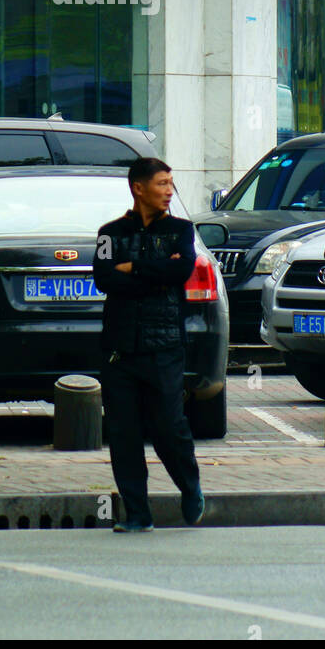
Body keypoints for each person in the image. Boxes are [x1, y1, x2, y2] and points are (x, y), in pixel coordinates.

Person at [94, 156, 204, 533]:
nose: (169, 191)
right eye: (161, 184)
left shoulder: (181, 232)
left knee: (168, 427)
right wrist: (154, 272)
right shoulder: (109, 234)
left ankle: (190, 487)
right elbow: (104, 278)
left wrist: (135, 267)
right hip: (119, 349)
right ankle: (137, 514)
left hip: (164, 345)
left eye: (171, 184)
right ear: (138, 188)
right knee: (123, 434)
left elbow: (181, 270)